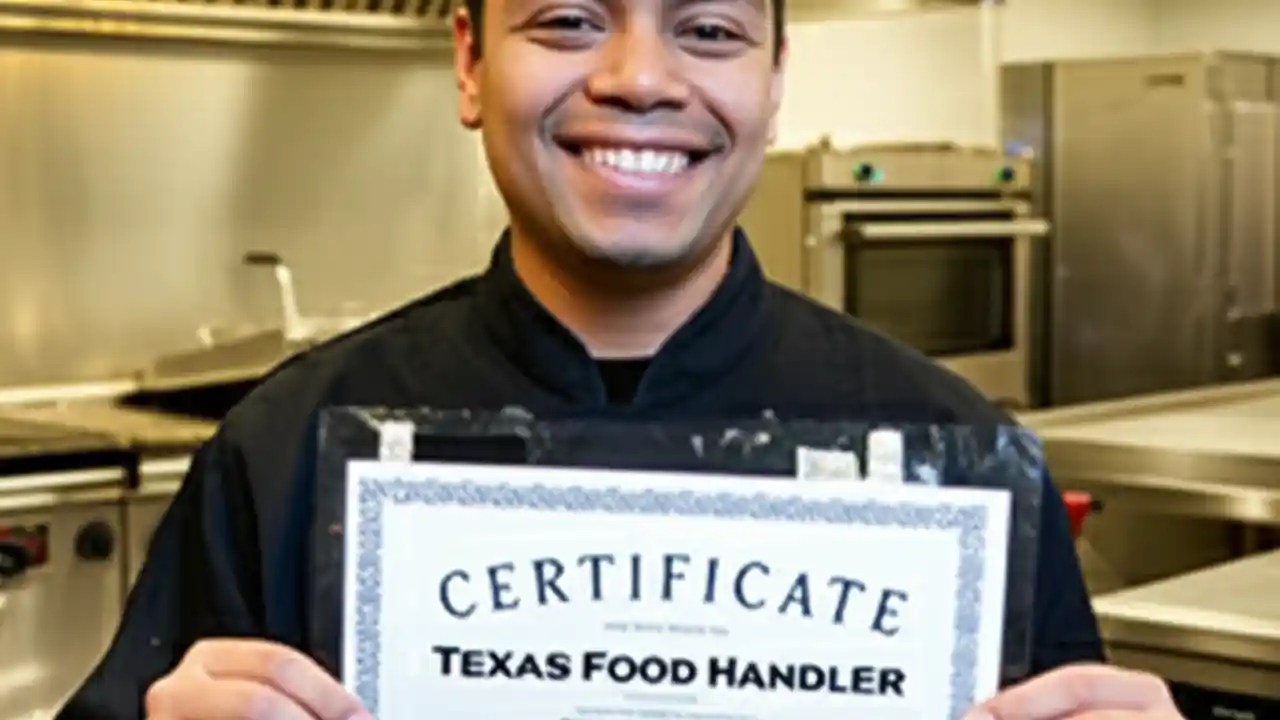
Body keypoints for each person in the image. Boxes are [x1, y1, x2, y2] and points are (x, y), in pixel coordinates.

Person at [57, 0, 1185, 715]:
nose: (639, 78)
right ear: (466, 59)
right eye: (566, 20)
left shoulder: (959, 462)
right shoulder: (285, 446)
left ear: (775, 78)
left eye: (707, 30)